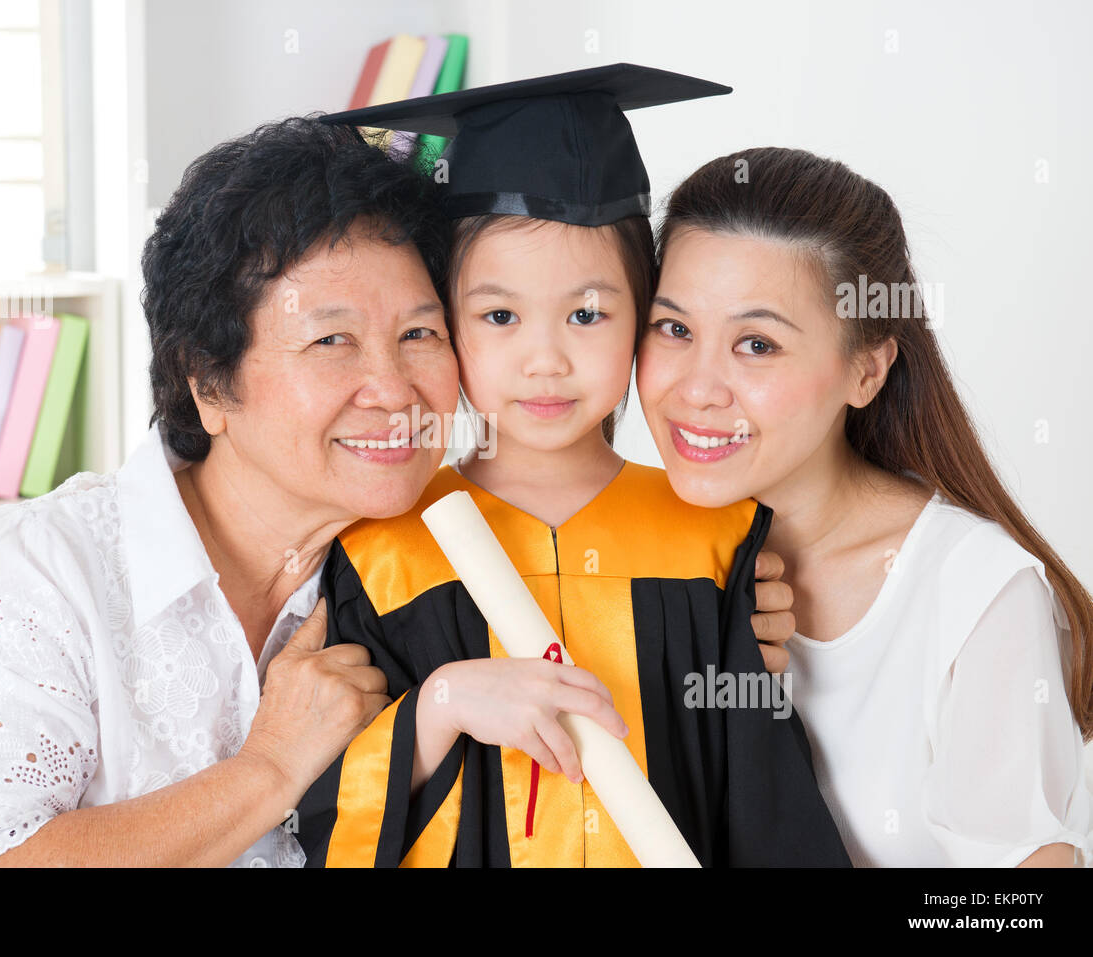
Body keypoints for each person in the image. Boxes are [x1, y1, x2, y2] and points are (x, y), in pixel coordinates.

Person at [295, 65, 850, 867]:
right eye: (499, 315)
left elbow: (767, 807)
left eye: (588, 313)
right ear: (443, 323)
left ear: (646, 319)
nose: (545, 360)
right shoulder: (382, 553)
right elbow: (329, 813)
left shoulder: (716, 542)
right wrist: (439, 708)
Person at [0, 116, 459, 867]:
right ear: (209, 381)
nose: (393, 388)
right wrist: (271, 767)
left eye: (421, 333)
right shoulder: (56, 566)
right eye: (331, 340)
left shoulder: (445, 555)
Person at [636, 145, 1092, 867]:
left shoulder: (974, 595)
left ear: (866, 369)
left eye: (756, 343)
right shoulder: (632, 558)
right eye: (674, 328)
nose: (698, 387)